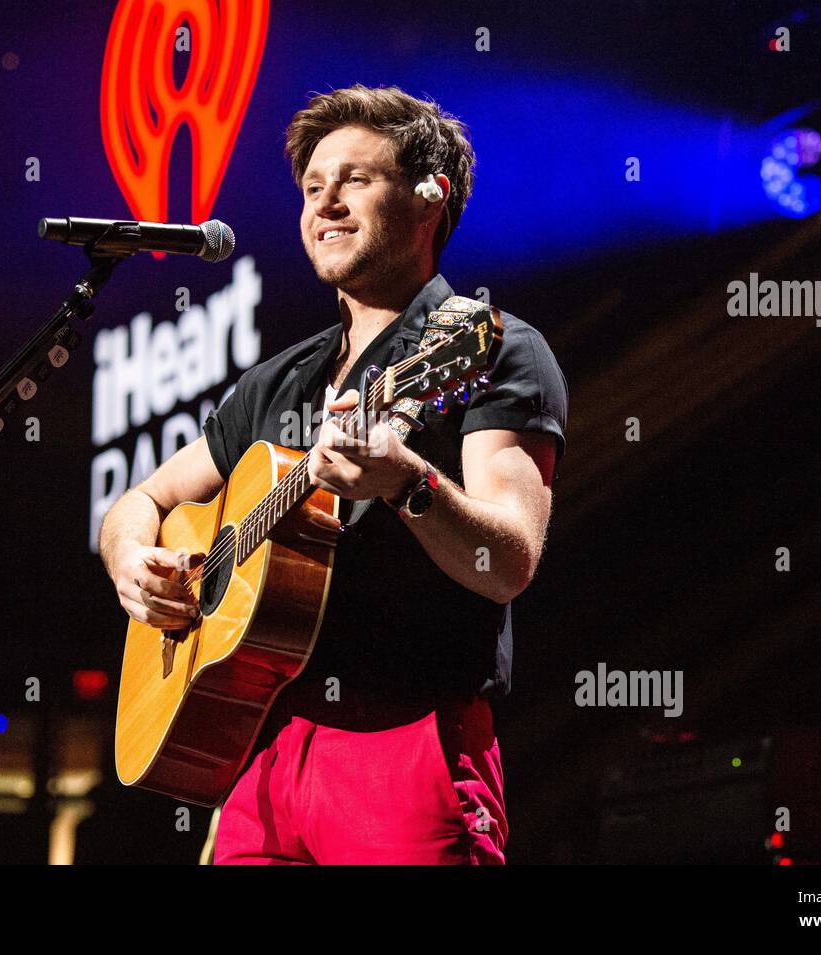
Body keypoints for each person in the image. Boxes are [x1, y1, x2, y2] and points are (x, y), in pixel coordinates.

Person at [99, 84, 568, 864]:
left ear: (429, 199)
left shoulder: (491, 347)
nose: (327, 204)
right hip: (262, 748)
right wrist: (129, 559)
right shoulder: (274, 383)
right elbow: (141, 499)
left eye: (356, 179)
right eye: (314, 188)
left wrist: (407, 482)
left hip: (406, 741)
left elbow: (510, 560)